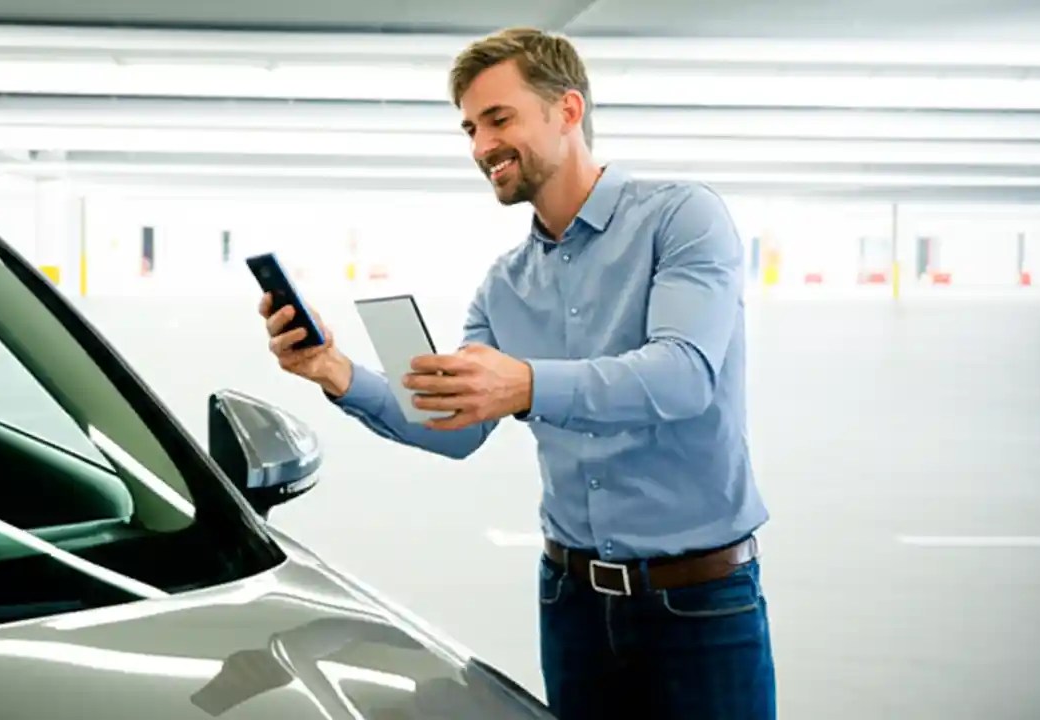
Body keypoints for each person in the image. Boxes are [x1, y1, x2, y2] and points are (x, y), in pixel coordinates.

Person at [258, 25, 775, 720]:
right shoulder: (504, 286)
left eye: (498, 119)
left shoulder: (682, 219)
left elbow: (683, 377)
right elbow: (454, 429)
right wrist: (335, 370)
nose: (480, 147)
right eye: (469, 127)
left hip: (700, 602)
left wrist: (527, 384)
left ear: (568, 110)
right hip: (572, 602)